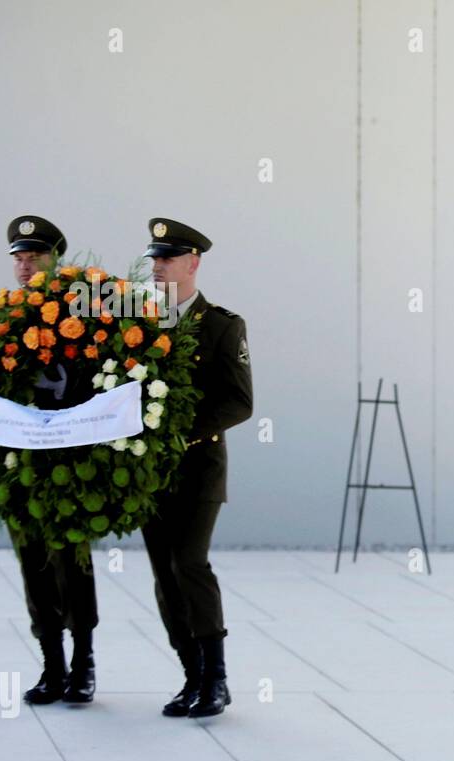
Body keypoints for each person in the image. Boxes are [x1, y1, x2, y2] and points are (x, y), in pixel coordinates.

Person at [140, 219, 253, 717]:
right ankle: (191, 675)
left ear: (193, 263)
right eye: (155, 259)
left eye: (168, 258)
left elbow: (240, 402)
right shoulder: (138, 321)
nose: (159, 267)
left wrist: (180, 431)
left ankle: (217, 678)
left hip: (199, 468)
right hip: (148, 474)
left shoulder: (224, 325)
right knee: (165, 575)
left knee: (189, 562)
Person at [0, 216, 100, 705]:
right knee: (33, 562)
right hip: (22, 462)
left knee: (71, 561)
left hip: (70, 459)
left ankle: (84, 662)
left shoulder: (86, 312)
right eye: (18, 256)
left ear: (56, 259)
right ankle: (51, 664)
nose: (24, 265)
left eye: (34, 256)